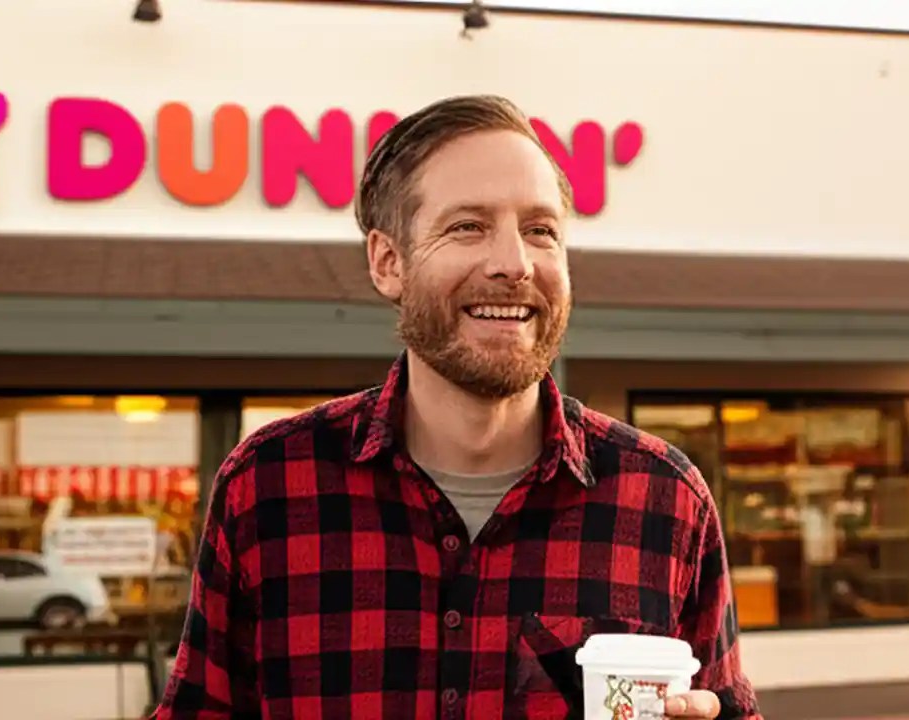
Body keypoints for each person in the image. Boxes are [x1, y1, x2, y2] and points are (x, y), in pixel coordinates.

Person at [151, 94, 761, 720]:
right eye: (468, 226)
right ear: (388, 263)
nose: (514, 264)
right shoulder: (269, 487)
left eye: (540, 230)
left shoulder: (664, 498)